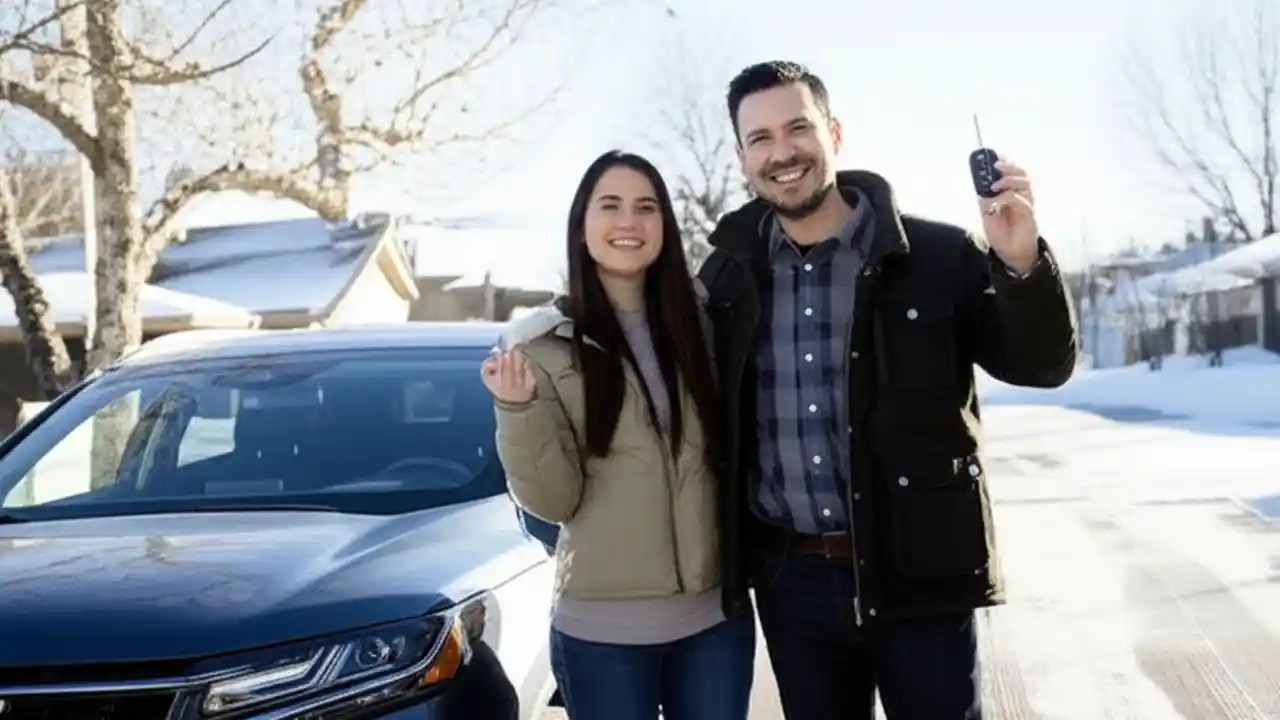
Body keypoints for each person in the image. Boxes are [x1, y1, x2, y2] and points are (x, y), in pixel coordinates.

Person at [697, 61, 1077, 720]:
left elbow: (1042, 364)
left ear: (834, 133)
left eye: (798, 128)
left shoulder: (939, 256)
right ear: (741, 157)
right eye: (760, 139)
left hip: (921, 576)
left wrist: (1020, 262)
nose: (781, 152)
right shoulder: (728, 279)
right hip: (795, 585)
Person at [482, 149, 755, 720]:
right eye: (610, 205)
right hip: (602, 636)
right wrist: (519, 408)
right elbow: (553, 501)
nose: (628, 222)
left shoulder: (706, 327)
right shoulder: (542, 348)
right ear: (582, 226)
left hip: (714, 625)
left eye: (645, 207)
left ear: (664, 227)